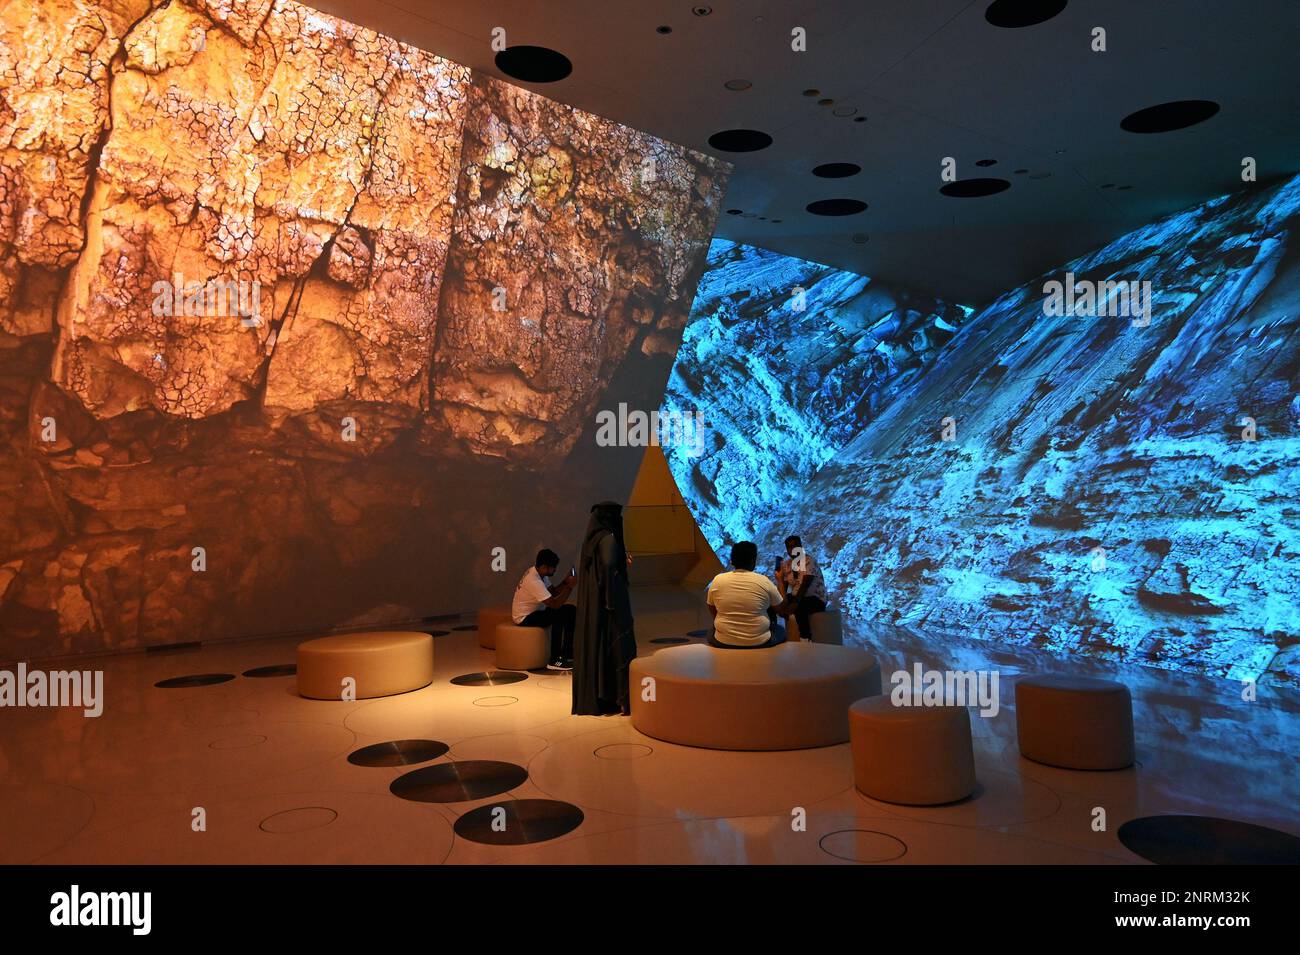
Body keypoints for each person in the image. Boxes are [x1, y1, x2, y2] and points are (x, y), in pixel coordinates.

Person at [572, 501, 637, 716]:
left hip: (598, 604)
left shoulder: (592, 540)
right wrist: (612, 600)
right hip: (612, 604)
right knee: (619, 648)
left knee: (602, 647)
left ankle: (605, 697)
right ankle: (620, 700)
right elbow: (609, 566)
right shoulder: (607, 538)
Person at [706, 541, 795, 649]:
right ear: (753, 560)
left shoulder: (718, 580)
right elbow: (782, 610)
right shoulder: (764, 581)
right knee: (780, 630)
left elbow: (711, 607)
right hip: (759, 641)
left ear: (732, 560)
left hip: (723, 641)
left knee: (712, 631)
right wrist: (780, 581)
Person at [512, 548, 577, 670]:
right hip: (524, 618)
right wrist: (570, 587)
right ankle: (554, 659)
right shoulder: (534, 581)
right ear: (544, 567)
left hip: (535, 612)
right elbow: (554, 604)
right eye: (553, 567)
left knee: (571, 610)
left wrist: (565, 582)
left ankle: (567, 654)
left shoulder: (538, 573)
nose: (555, 570)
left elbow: (552, 592)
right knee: (558, 613)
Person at [776, 534, 827, 641]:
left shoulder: (808, 560)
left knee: (800, 606)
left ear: (801, 546)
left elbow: (805, 584)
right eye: (789, 547)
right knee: (772, 603)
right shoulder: (787, 564)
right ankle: (773, 634)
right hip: (797, 596)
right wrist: (781, 603)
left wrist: (794, 604)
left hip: (815, 599)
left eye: (795, 545)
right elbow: (784, 586)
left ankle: (805, 638)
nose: (792, 549)